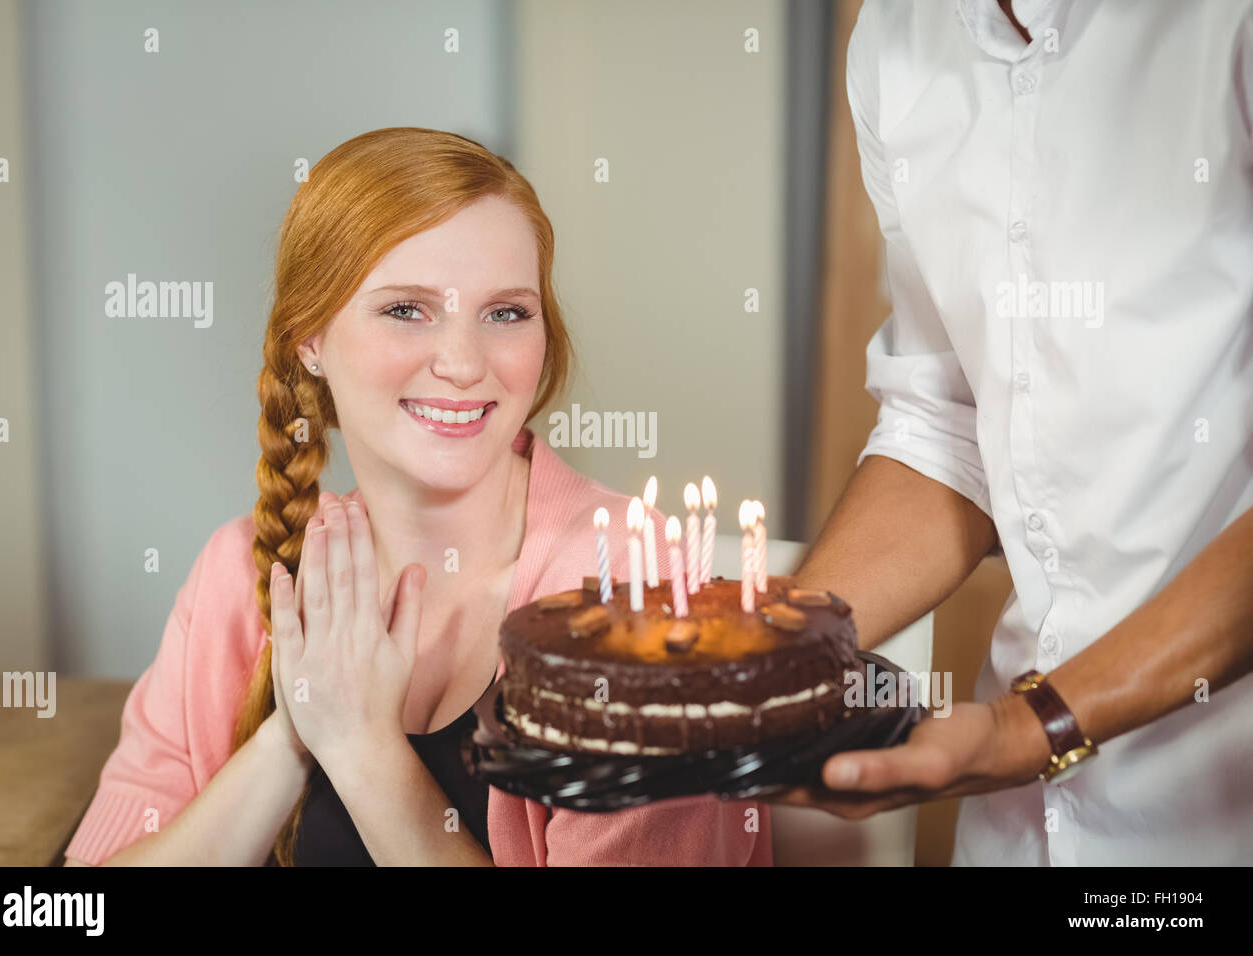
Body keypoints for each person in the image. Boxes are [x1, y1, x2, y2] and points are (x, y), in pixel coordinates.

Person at [64, 127, 771, 866]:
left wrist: (365, 749)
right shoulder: (234, 577)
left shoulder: (641, 591)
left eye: (505, 313)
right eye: (407, 309)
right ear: (310, 337)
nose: (464, 364)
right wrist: (292, 735)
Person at [784, 0, 1253, 865]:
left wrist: (1030, 728)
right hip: (1015, 827)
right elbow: (946, 422)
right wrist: (764, 656)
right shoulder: (894, 40)